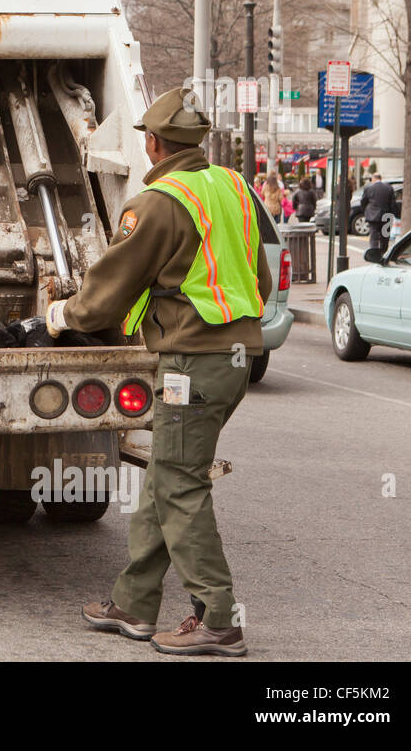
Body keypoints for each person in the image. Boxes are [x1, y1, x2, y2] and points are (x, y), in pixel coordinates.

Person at [45, 87, 271, 657]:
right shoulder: (233, 188)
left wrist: (59, 314)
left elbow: (106, 295)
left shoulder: (158, 202)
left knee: (179, 484)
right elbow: (260, 282)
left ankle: (219, 617)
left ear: (152, 143)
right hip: (235, 358)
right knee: (168, 476)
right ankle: (134, 604)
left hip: (192, 364)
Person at [361, 173, 395, 252]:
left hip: (373, 215)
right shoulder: (389, 188)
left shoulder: (368, 188)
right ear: (380, 178)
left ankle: (374, 252)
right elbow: (392, 204)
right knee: (385, 237)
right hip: (386, 215)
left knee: (373, 236)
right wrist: (395, 214)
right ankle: (383, 252)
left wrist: (365, 211)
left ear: (373, 179)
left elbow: (363, 202)